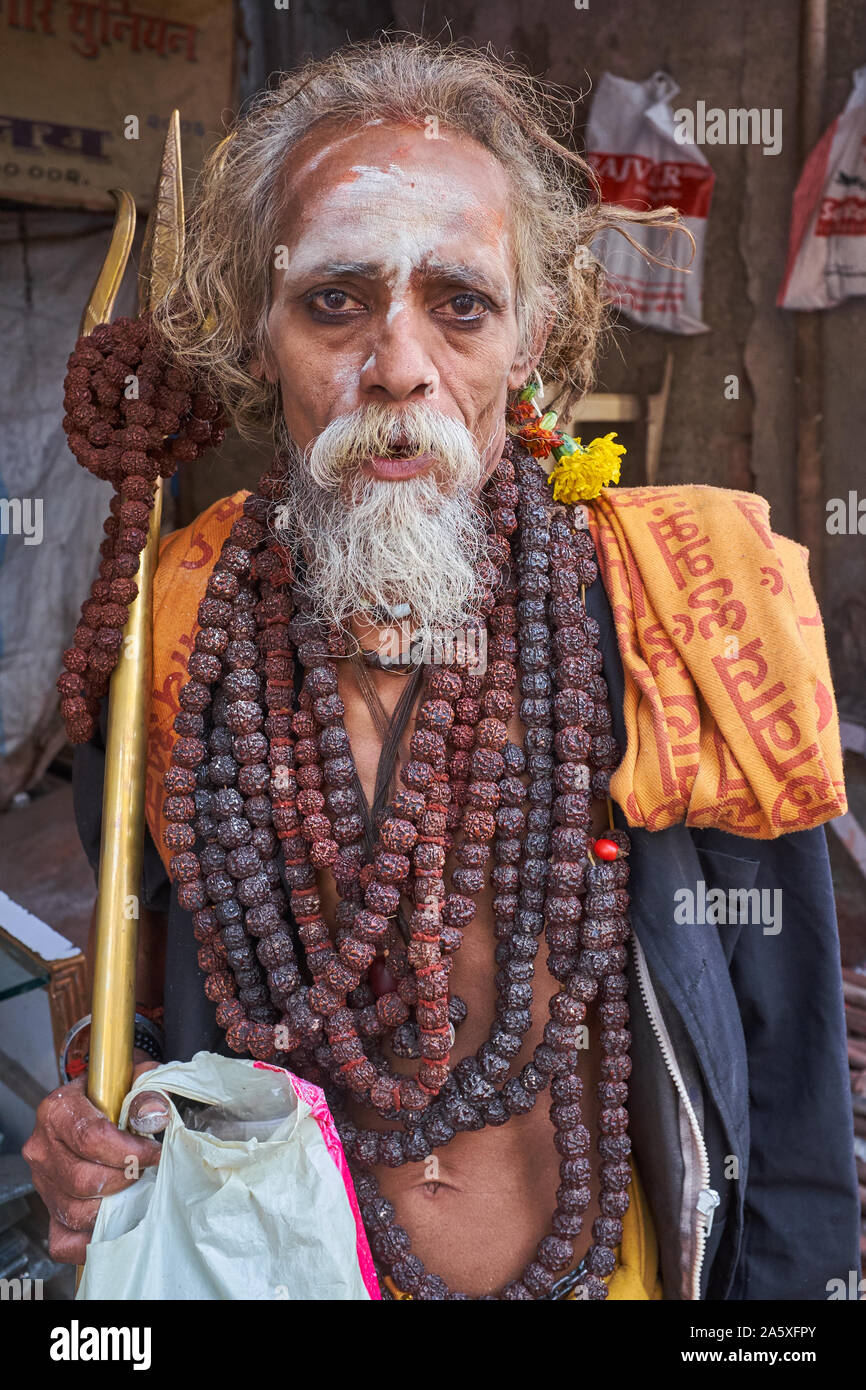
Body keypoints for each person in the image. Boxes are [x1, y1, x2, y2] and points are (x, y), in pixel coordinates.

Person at [23, 36, 859, 1300]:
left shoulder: (685, 616)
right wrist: (91, 1145)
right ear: (262, 338)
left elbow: (789, 1099)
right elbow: (149, 1020)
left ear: (529, 336)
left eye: (457, 304)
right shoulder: (170, 637)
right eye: (336, 300)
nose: (398, 365)